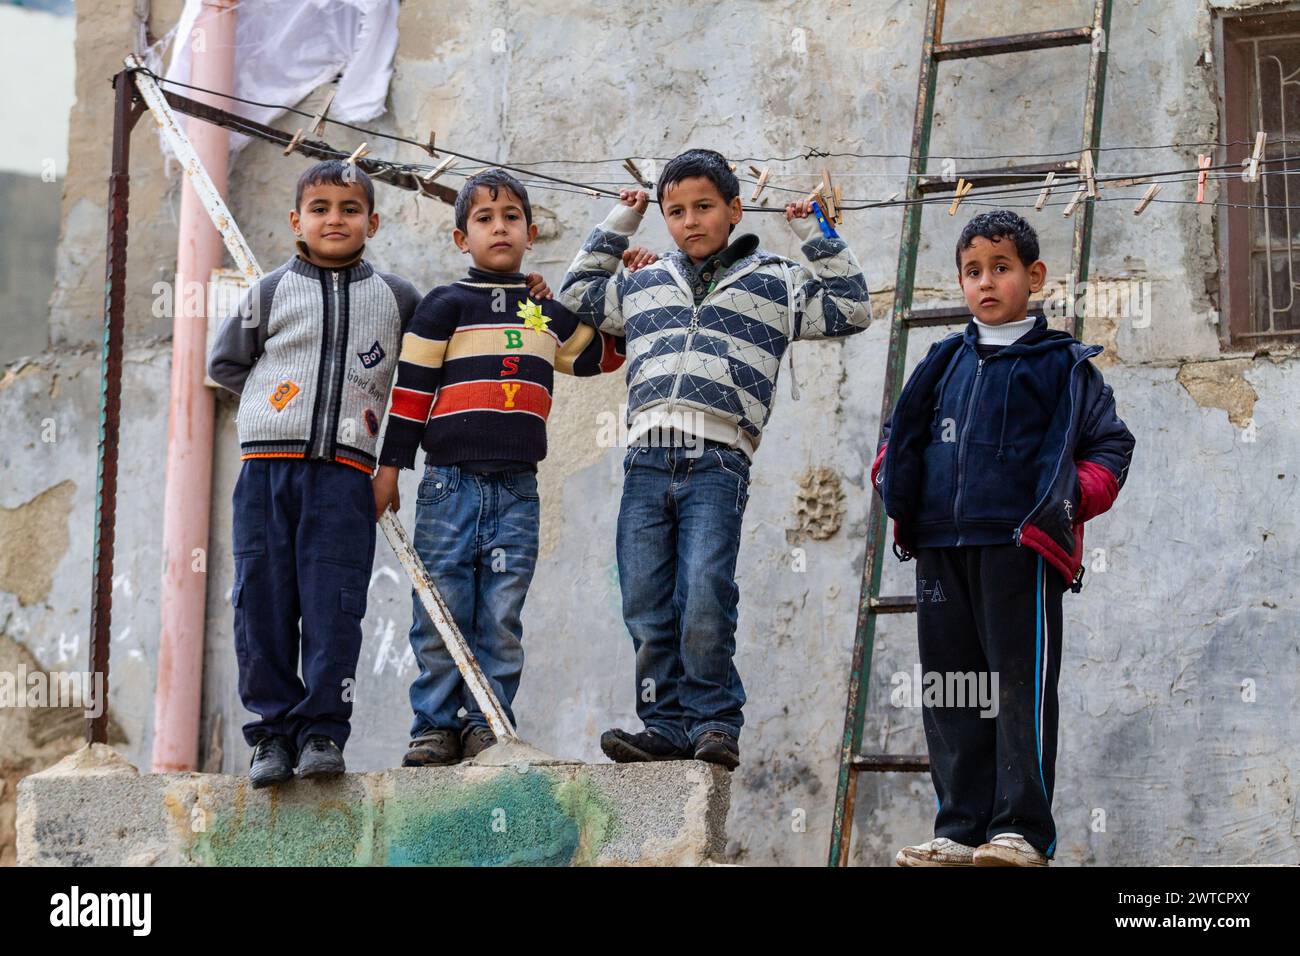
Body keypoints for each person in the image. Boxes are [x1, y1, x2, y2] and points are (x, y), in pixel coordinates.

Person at [559, 148, 872, 770]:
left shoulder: (777, 281)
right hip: (647, 461)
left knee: (703, 591)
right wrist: (622, 220)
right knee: (645, 600)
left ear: (734, 209)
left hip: (717, 461)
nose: (690, 221)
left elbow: (852, 306)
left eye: (704, 207)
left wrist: (815, 231)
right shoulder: (645, 282)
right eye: (674, 211)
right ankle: (665, 723)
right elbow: (577, 297)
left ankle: (713, 720)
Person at [875, 210, 1136, 866]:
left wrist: (1069, 500)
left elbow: (1110, 445)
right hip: (940, 547)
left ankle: (1019, 831)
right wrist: (893, 479)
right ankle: (961, 830)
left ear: (1033, 275)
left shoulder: (1062, 366)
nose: (985, 281)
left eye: (1000, 267)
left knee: (1017, 688)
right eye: (972, 271)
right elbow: (898, 436)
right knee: (953, 689)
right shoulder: (941, 362)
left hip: (1019, 551)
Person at [372, 169, 625, 766]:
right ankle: (433, 726)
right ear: (462, 239)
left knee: (501, 615)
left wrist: (625, 281)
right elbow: (410, 393)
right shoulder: (444, 305)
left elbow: (601, 359)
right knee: (440, 608)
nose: (499, 227)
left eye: (511, 217)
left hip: (517, 489)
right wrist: (389, 468)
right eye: (484, 219)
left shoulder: (540, 311)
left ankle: (489, 722)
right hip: (447, 486)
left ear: (530, 232)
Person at [208, 160, 419, 787]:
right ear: (297, 221)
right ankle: (272, 735)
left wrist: (388, 463)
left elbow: (418, 383)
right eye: (321, 208)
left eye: (350, 209)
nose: (335, 219)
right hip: (266, 475)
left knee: (336, 606)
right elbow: (226, 364)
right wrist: (281, 408)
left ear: (372, 222)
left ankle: (323, 731)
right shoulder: (269, 292)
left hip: (346, 478)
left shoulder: (398, 298)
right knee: (263, 601)